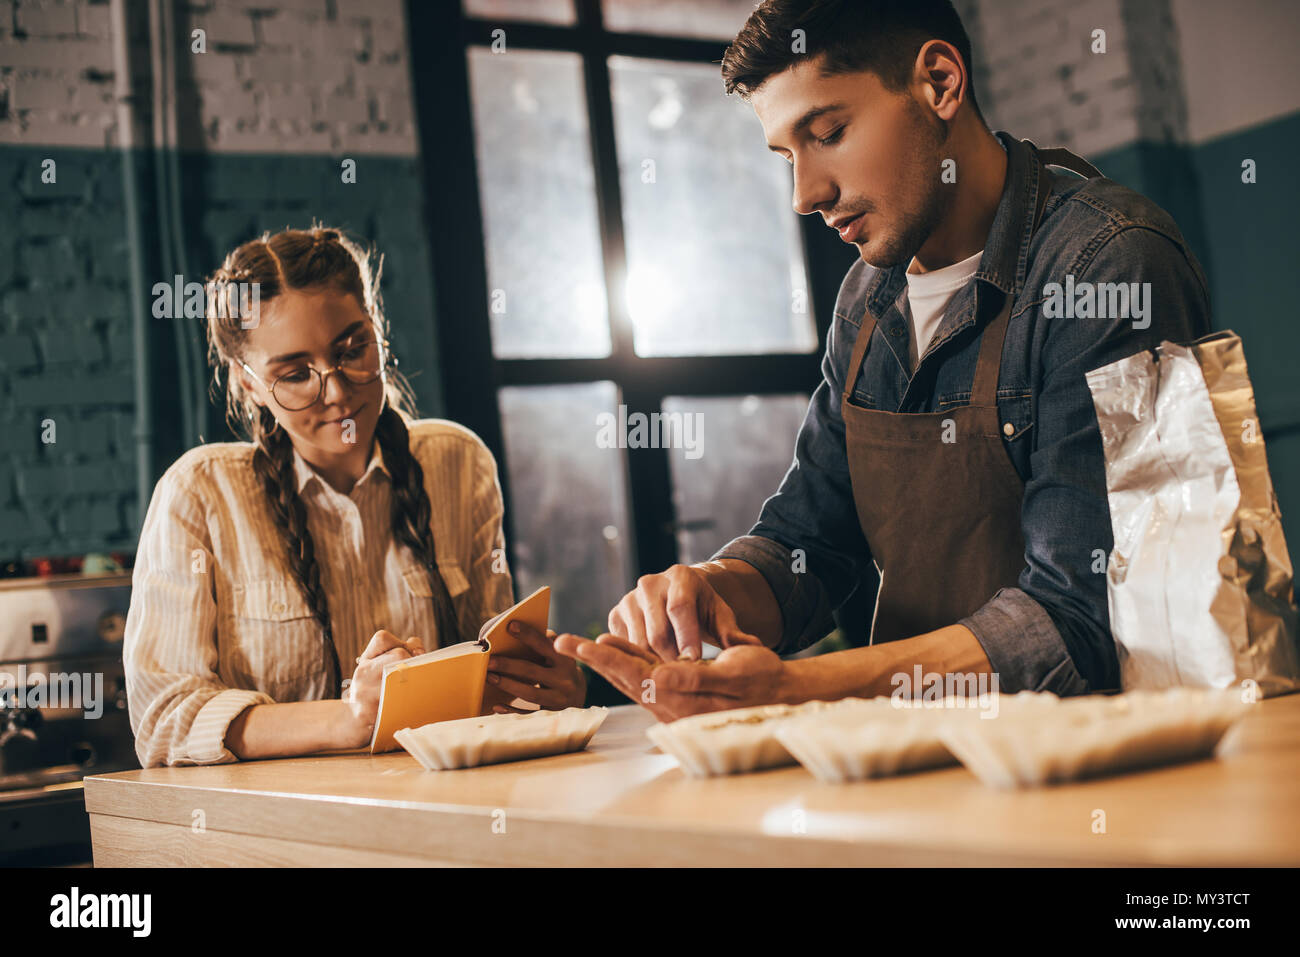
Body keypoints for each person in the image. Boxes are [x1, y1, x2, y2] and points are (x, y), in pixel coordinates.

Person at [553, 0, 1210, 721]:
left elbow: (1078, 622)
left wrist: (797, 690)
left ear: (939, 82)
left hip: (1098, 778)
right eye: (786, 157)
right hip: (917, 771)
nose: (805, 194)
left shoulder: (1106, 266)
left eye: (829, 133)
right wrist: (710, 591)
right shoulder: (866, 299)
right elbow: (810, 543)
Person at [124, 226, 584, 767]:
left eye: (352, 349)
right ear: (248, 384)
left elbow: (500, 688)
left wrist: (551, 690)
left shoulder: (458, 461)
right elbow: (164, 721)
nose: (338, 392)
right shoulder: (199, 493)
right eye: (295, 374)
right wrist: (353, 717)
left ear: (377, 330)